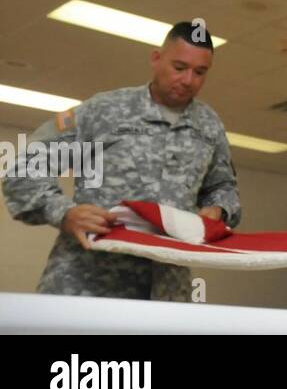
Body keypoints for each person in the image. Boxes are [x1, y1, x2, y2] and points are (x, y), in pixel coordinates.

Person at [2, 20, 240, 300]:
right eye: (179, 68)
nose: (188, 80)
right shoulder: (106, 110)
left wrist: (218, 210)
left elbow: (223, 187)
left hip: (165, 291)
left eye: (200, 72)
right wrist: (64, 213)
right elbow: (24, 169)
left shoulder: (209, 126)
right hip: (88, 284)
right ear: (156, 58)